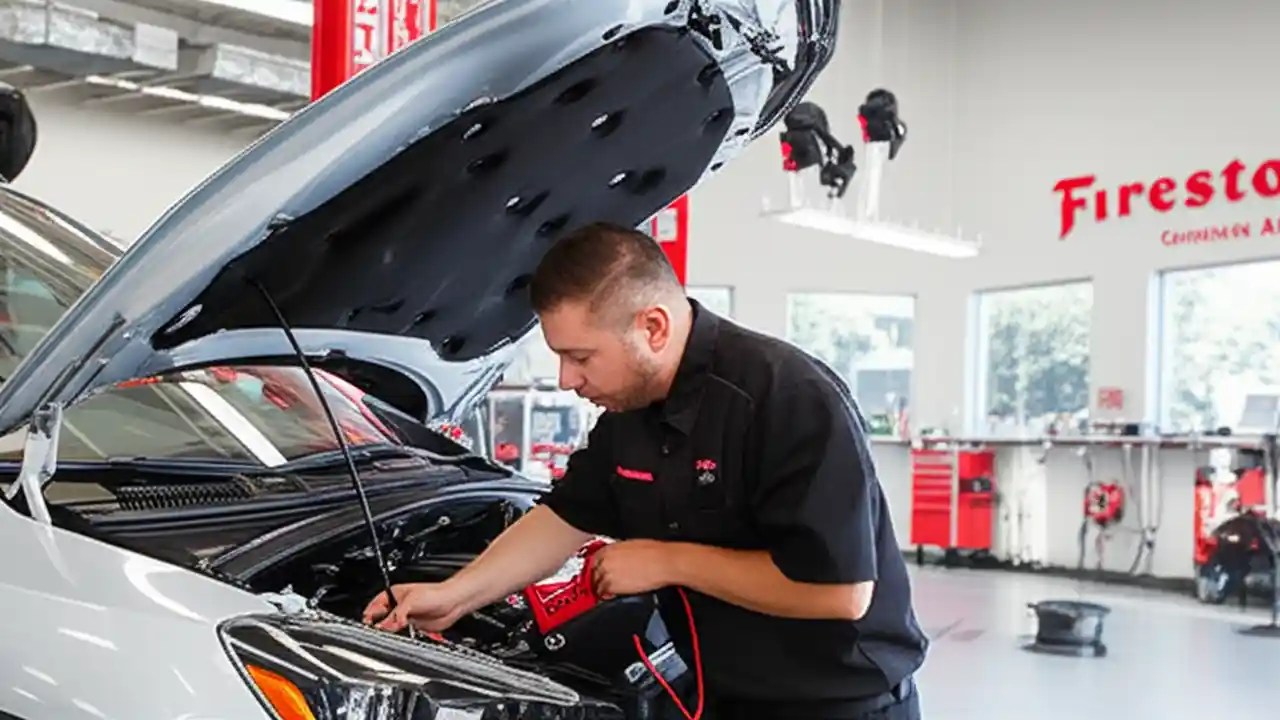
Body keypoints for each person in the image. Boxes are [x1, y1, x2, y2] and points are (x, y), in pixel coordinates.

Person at [363, 221, 929, 719]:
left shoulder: (788, 398)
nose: (566, 379)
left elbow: (839, 593)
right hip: (720, 694)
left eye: (580, 357)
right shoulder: (630, 411)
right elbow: (565, 515)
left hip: (838, 703)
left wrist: (667, 561)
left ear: (653, 327)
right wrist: (458, 595)